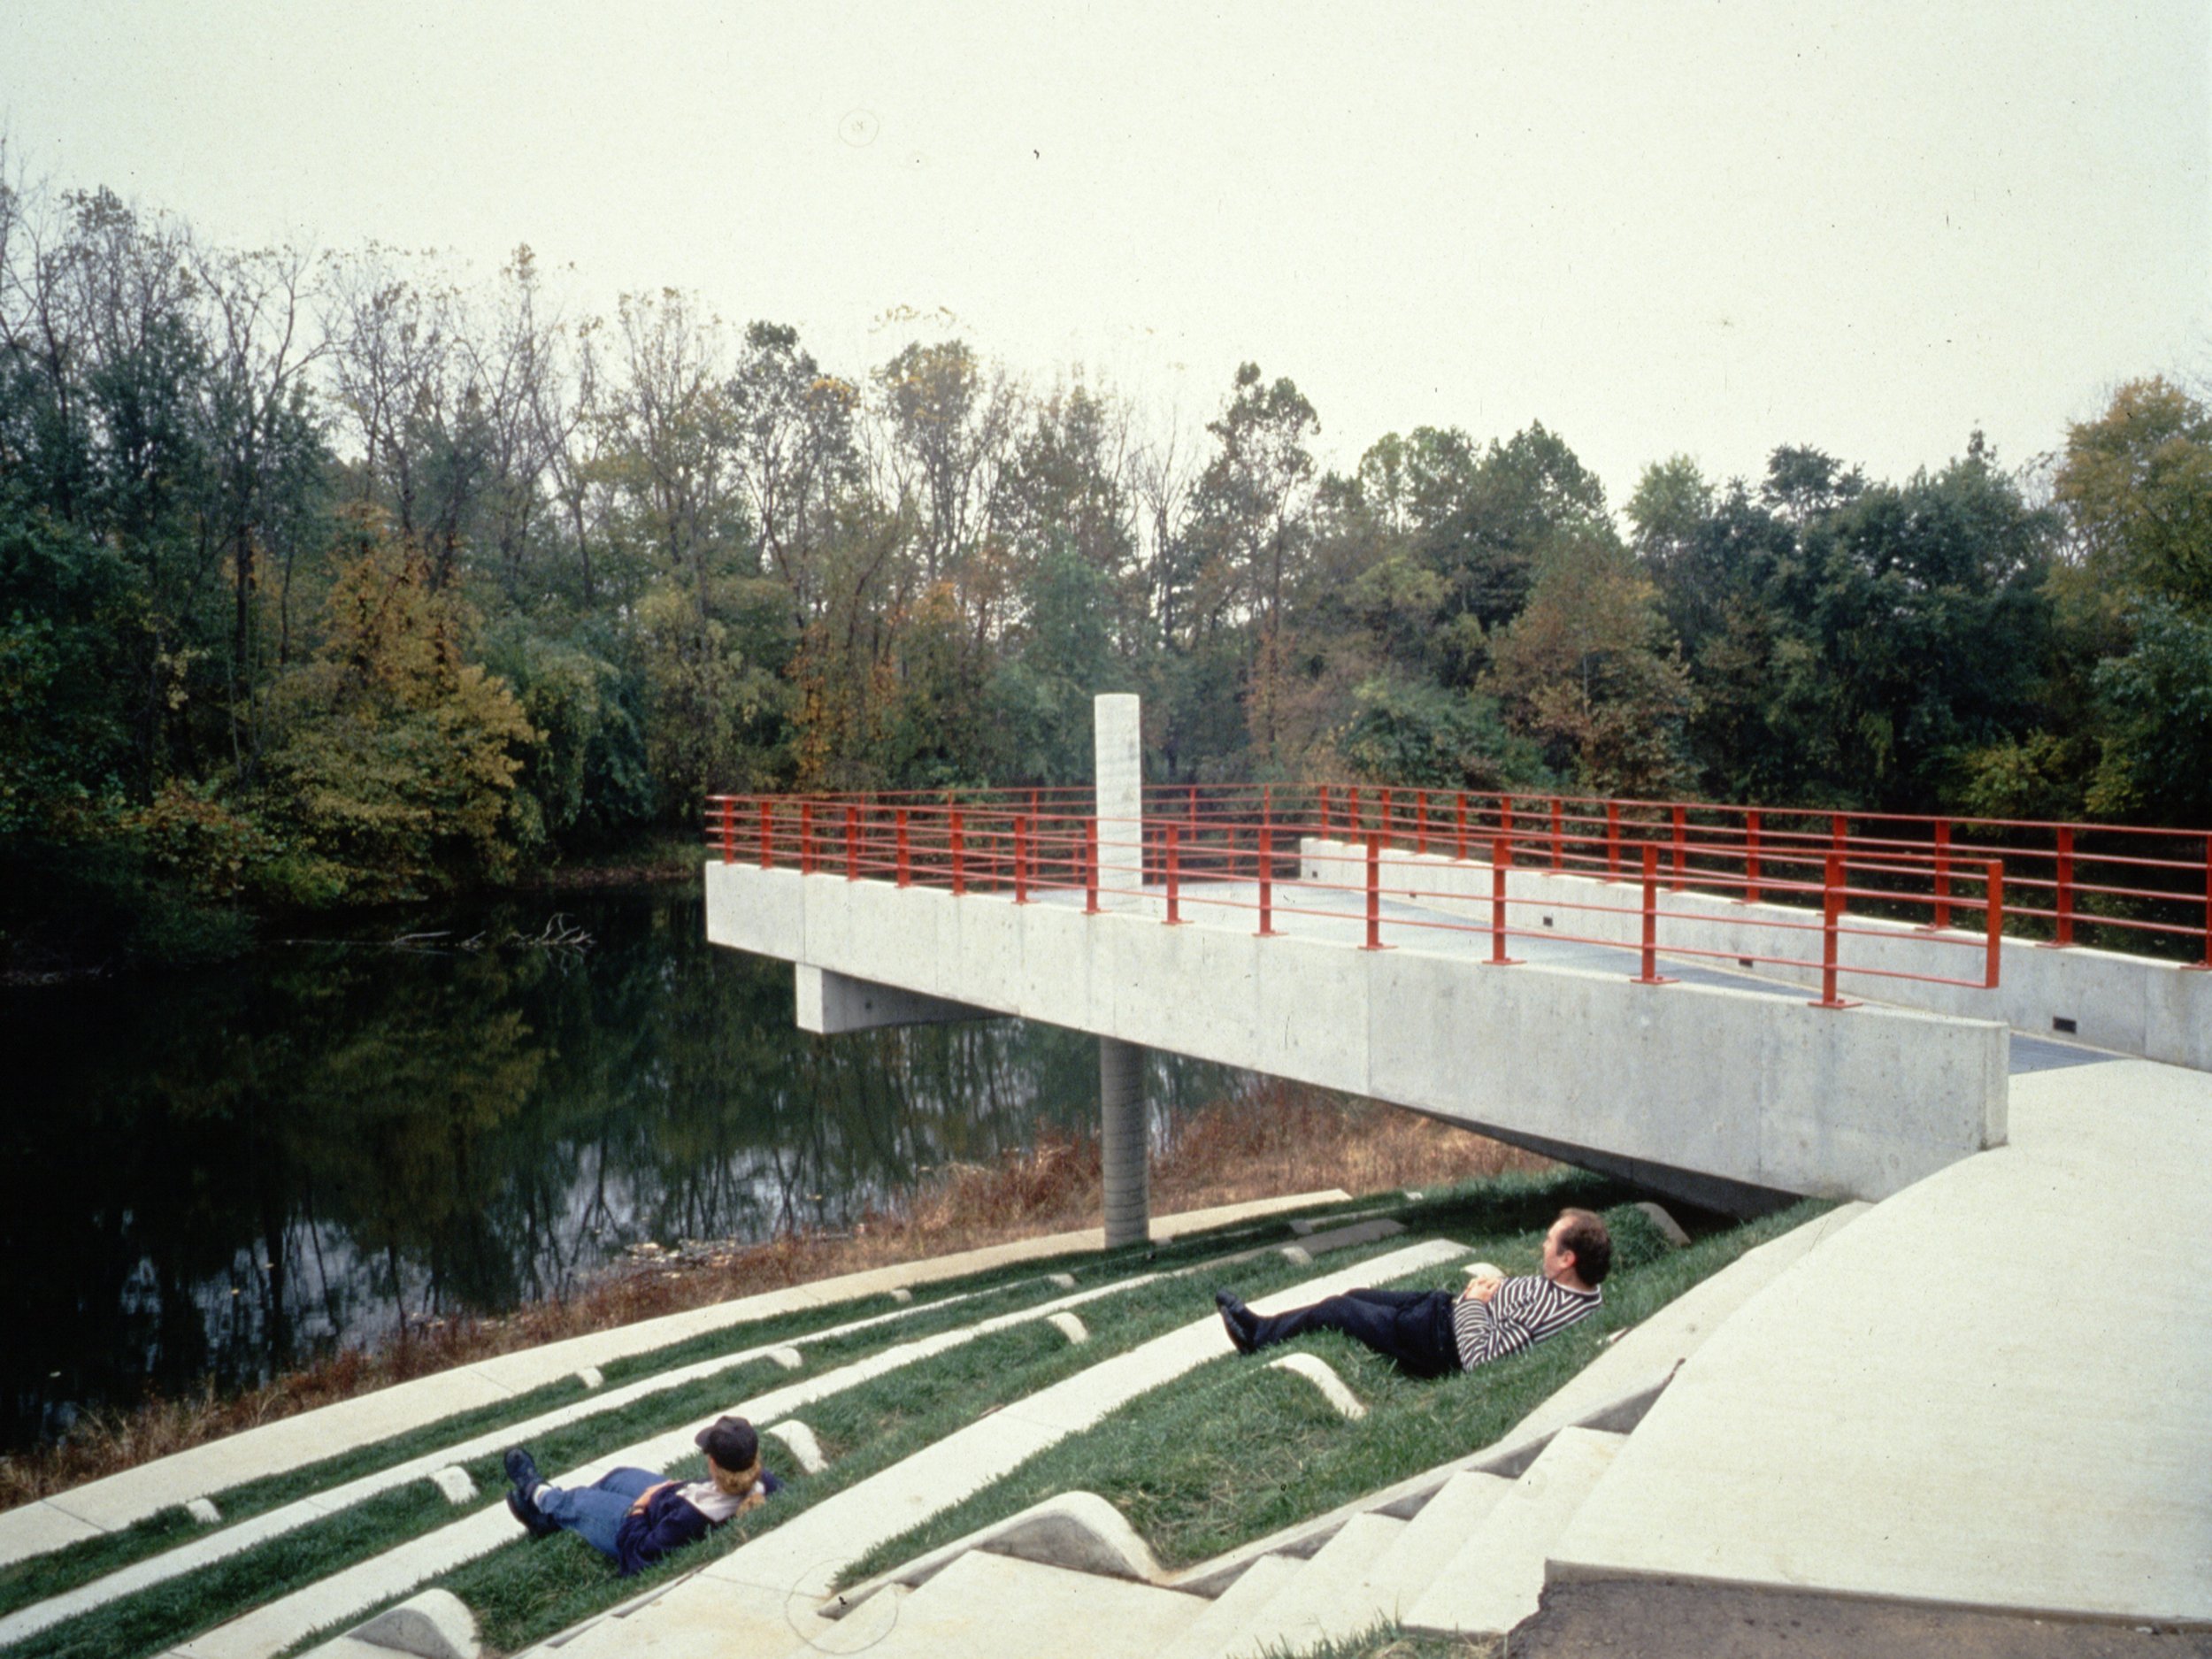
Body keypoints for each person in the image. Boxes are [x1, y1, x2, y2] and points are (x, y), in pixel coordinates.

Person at [1215, 1209, 1609, 1379]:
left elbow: (1479, 1360)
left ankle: (1257, 1334)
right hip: (1442, 1310)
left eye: (1549, 1242)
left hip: (1438, 1340)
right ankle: (1265, 1327)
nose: (1542, 1246)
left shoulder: (1549, 1308)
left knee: (1339, 1309)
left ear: (1567, 1259)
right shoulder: (1583, 1292)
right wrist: (1490, 1293)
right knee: (1357, 1294)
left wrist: (1474, 1303)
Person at [502, 1416, 782, 1574]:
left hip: (636, 1523)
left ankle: (537, 1490)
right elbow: (722, 1490)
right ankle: (550, 1520)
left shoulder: (688, 1520)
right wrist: (674, 1487)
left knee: (577, 1499)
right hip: (670, 1499)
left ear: (713, 1464)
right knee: (617, 1477)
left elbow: (639, 1553)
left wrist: (639, 1507)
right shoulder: (764, 1482)